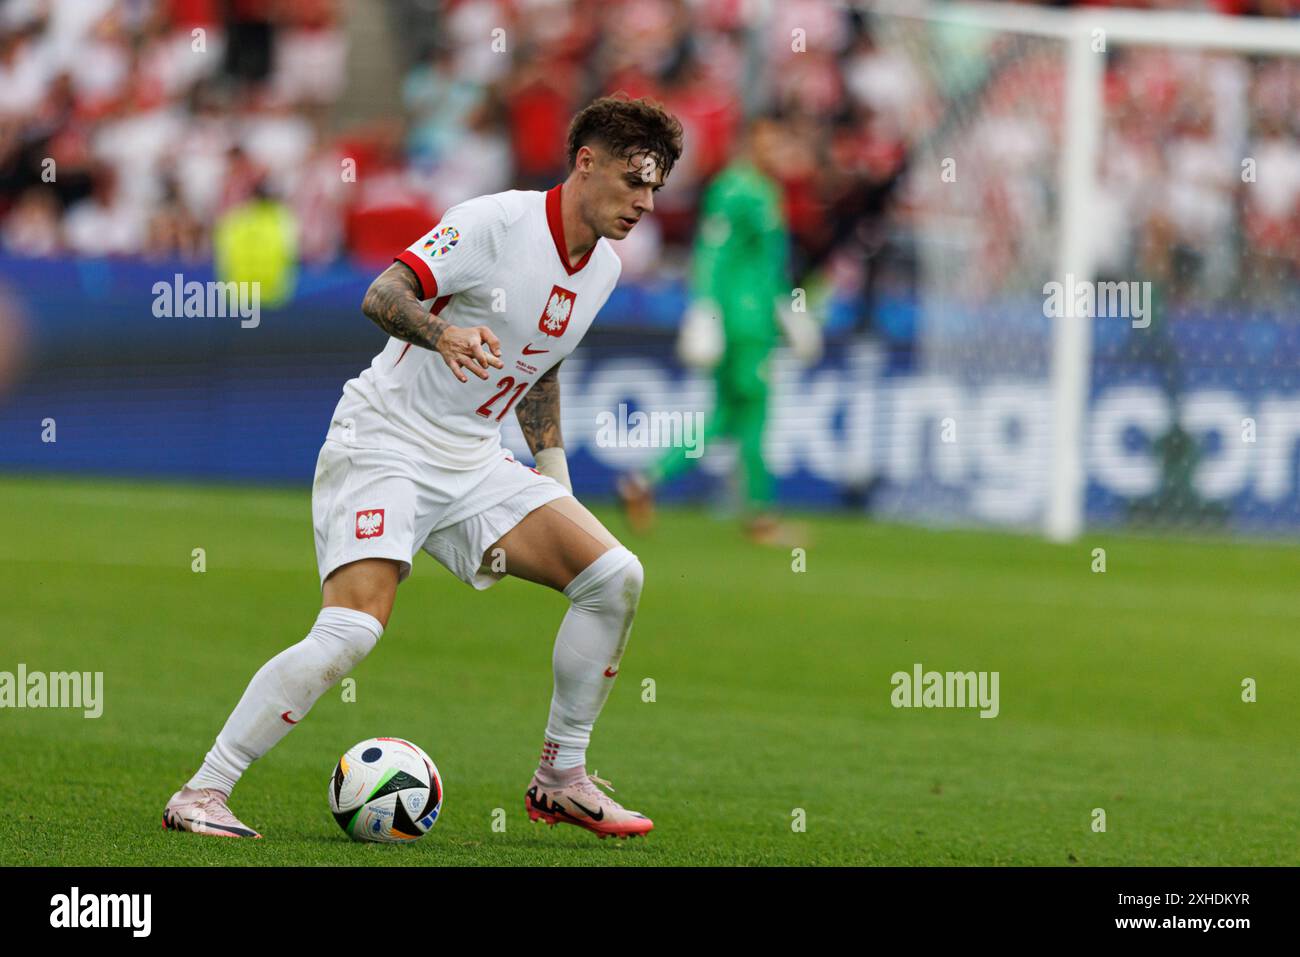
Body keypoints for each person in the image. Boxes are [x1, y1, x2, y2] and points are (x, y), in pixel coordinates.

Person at [162, 94, 684, 840]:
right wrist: (443, 334)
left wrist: (553, 473)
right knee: (350, 631)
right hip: (386, 441)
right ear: (585, 162)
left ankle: (561, 778)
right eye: (634, 180)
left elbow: (540, 367)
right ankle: (201, 792)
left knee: (614, 578)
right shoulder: (495, 224)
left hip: (474, 459)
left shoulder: (602, 267)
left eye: (656, 187)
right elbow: (383, 293)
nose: (645, 201)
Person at [618, 113, 816, 545]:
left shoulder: (766, 190)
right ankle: (761, 516)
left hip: (756, 320)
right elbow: (712, 253)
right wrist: (704, 312)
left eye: (780, 143)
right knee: (755, 415)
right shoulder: (735, 188)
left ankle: (645, 480)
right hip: (741, 324)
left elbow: (768, 266)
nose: (776, 152)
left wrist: (789, 311)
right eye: (768, 142)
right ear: (750, 143)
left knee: (727, 416)